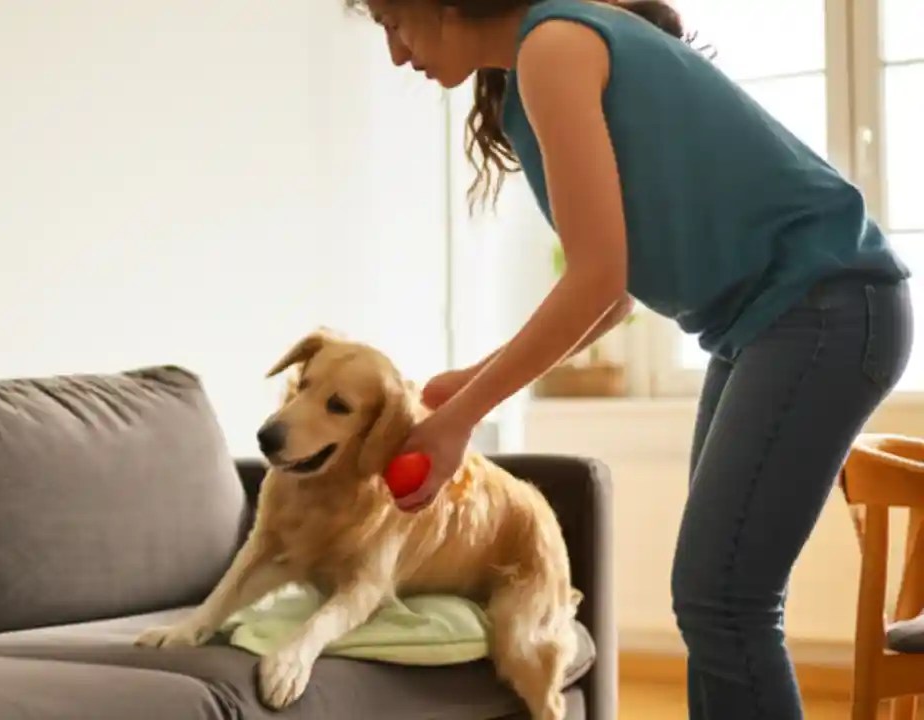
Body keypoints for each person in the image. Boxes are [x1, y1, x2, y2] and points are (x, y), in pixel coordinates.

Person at [352, 0, 914, 718]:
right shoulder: (535, 74)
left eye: (392, 22)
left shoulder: (554, 46)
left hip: (825, 307)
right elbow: (614, 291)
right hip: (773, 323)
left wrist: (463, 416)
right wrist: (473, 381)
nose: (397, 53)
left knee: (723, 598)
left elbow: (599, 280)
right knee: (716, 604)